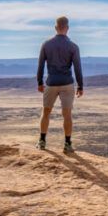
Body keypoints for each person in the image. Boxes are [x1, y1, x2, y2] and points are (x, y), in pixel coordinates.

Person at [37, 16, 84, 152]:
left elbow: (40, 65)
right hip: (67, 83)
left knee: (46, 112)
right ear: (67, 28)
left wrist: (40, 82)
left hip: (51, 83)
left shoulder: (46, 44)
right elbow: (77, 68)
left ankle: (42, 141)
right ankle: (67, 144)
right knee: (67, 114)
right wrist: (80, 86)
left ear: (56, 28)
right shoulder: (73, 46)